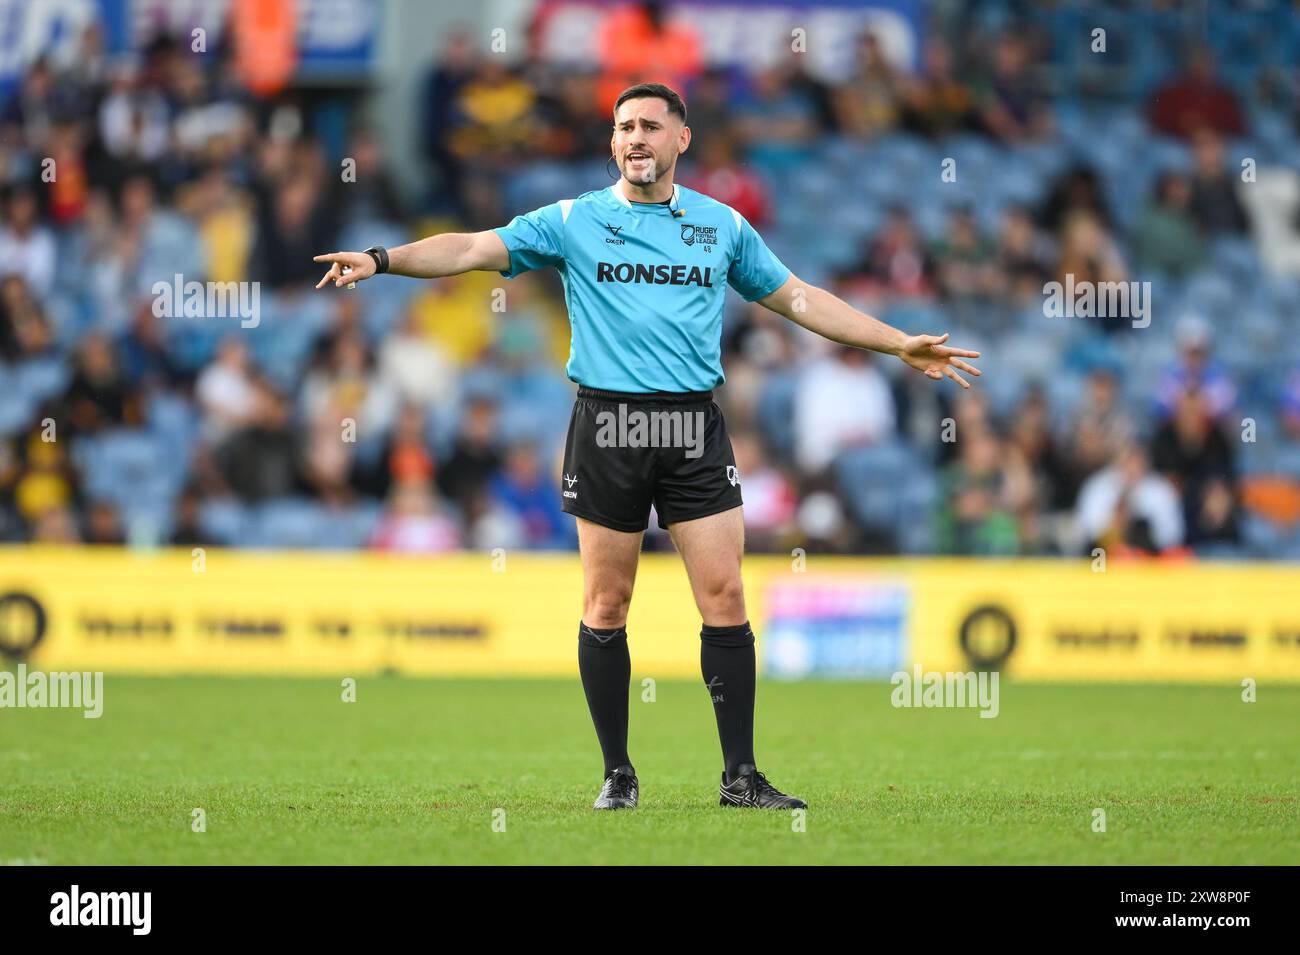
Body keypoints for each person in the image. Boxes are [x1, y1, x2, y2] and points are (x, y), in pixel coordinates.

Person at [313, 82, 981, 812]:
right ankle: (618, 774)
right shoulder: (573, 219)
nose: (635, 137)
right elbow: (473, 247)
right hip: (610, 425)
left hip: (693, 427)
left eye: (650, 126)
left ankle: (742, 777)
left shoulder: (721, 226)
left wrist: (897, 343)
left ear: (680, 140)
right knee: (607, 600)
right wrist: (382, 258)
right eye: (624, 126)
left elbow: (799, 298)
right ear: (612, 142)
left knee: (724, 594)